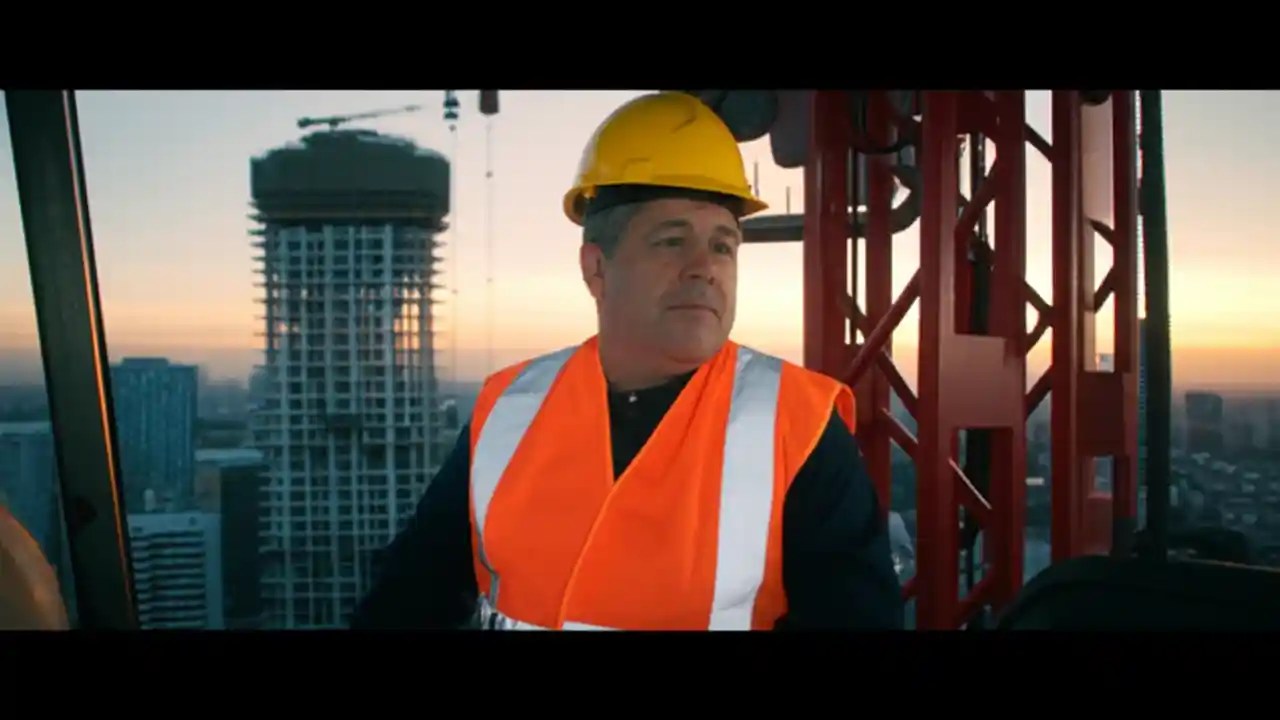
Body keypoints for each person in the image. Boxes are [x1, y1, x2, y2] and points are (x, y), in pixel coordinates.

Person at [350, 91, 903, 631]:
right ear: (597, 269)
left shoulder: (799, 426)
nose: (704, 268)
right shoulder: (506, 412)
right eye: (671, 241)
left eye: (723, 246)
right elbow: (406, 599)